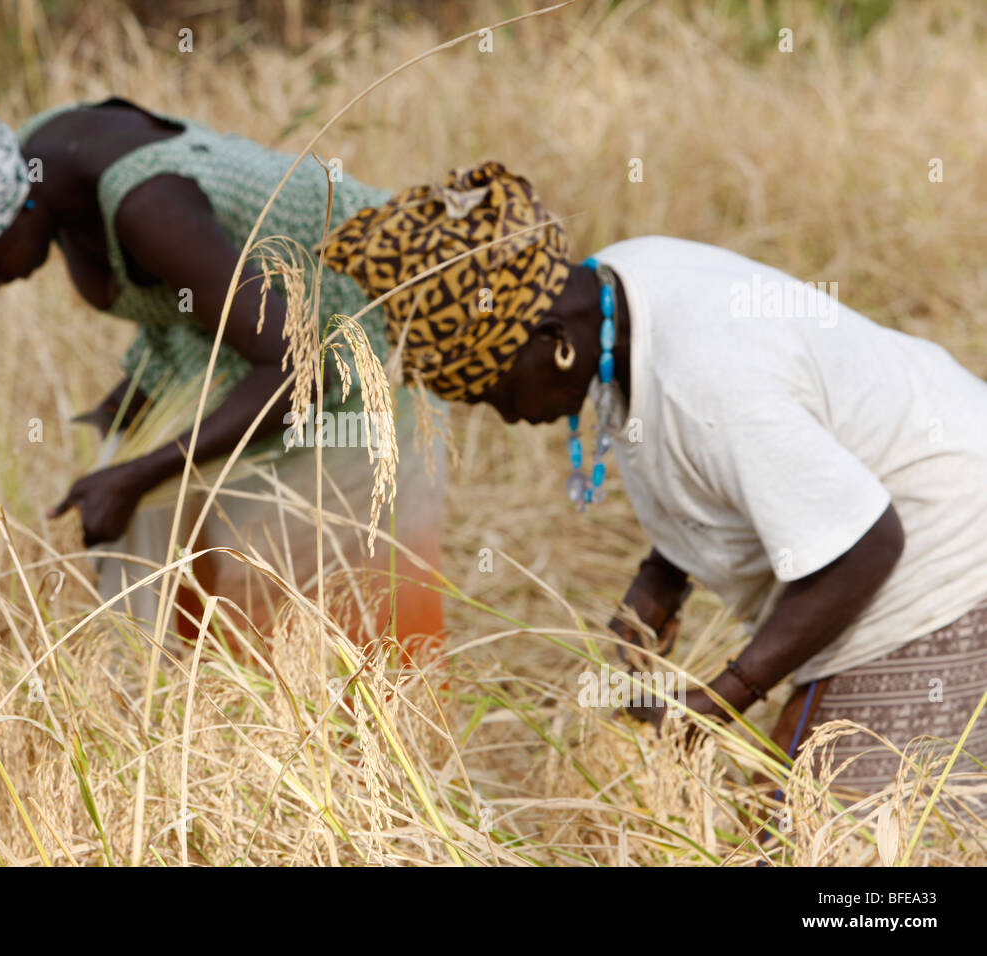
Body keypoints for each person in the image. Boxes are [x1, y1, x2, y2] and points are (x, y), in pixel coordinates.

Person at [323, 160, 987, 798]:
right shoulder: (621, 284)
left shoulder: (708, 380)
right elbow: (733, 466)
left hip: (947, 548)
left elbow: (868, 545)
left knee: (826, 846)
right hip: (923, 499)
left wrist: (719, 700)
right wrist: (662, 577)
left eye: (494, 392)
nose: (507, 416)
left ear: (553, 339)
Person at [0, 95, 446, 659]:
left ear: (8, 210)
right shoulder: (42, 160)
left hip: (361, 385)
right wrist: (134, 400)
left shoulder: (147, 206)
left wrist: (136, 477)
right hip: (276, 377)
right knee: (225, 638)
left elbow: (294, 372)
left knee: (346, 650)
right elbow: (192, 300)